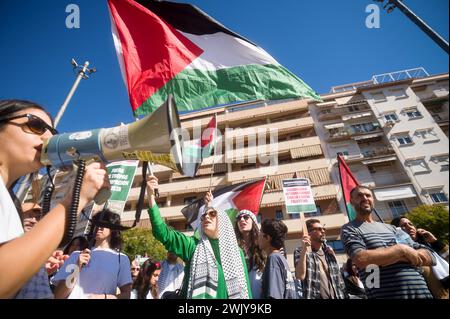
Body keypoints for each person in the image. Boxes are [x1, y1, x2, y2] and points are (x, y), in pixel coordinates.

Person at [0, 99, 110, 298]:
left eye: (52, 134)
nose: (47, 139)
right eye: (36, 125)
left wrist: (34, 266)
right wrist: (77, 198)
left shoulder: (9, 203)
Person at [146, 176, 252, 299]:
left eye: (212, 214)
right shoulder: (193, 246)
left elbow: (246, 291)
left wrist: (210, 204)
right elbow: (163, 233)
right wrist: (151, 197)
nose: (207, 217)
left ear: (223, 221)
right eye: (203, 216)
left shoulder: (236, 252)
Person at [341, 185, 435, 299]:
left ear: (373, 200)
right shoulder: (350, 228)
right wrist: (402, 250)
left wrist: (382, 258)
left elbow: (430, 256)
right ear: (351, 201)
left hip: (422, 293)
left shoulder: (393, 228)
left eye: (368, 195)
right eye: (360, 195)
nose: (365, 198)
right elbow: (361, 259)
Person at [53, 209, 132, 299]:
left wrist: (103, 297)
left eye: (105, 224)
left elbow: (126, 295)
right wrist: (77, 267)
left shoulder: (121, 259)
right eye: (97, 223)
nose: (99, 227)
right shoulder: (76, 255)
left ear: (113, 229)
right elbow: (58, 296)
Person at [391, 216, 449, 299]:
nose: (409, 227)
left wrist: (435, 241)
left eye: (410, 224)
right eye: (403, 226)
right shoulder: (404, 255)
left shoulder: (428, 245)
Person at [294, 219, 347, 299]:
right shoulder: (300, 251)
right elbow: (300, 276)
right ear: (308, 233)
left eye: (323, 229)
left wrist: (334, 257)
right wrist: (304, 249)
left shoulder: (329, 252)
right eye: (318, 229)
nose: (323, 231)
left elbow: (339, 280)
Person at [259, 218, 298, 299]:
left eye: (260, 232)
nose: (258, 236)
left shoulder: (273, 259)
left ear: (267, 238)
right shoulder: (281, 258)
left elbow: (274, 296)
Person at [234, 208, 266, 299]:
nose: (242, 220)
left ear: (253, 222)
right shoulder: (233, 246)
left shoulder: (262, 245)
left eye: (246, 217)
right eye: (239, 218)